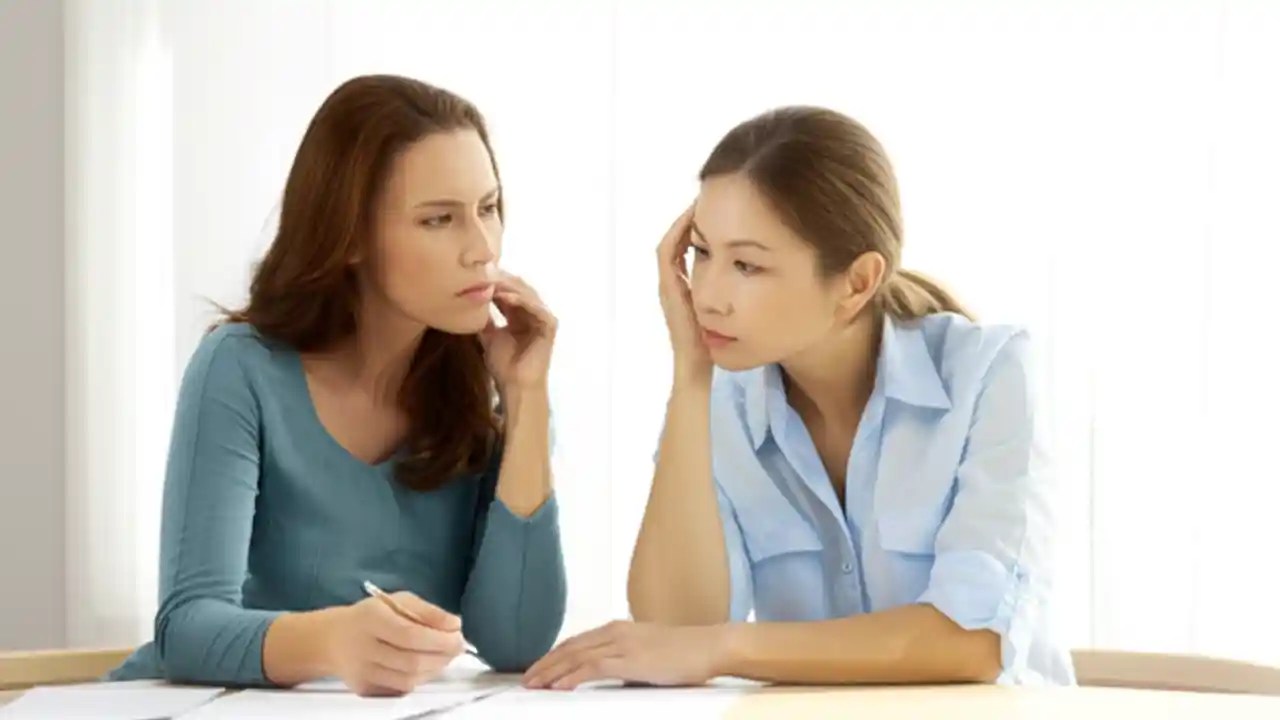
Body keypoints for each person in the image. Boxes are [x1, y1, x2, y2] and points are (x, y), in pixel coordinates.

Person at [524, 106, 1074, 689]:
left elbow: (971, 643)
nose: (707, 296)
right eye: (701, 253)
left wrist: (726, 648)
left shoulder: (990, 374)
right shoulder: (723, 399)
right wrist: (690, 374)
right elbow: (674, 630)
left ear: (857, 282)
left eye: (747, 265)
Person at [109, 75, 566, 695]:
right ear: (349, 235)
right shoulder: (239, 370)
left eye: (488, 208)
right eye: (439, 219)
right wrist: (333, 641)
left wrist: (528, 397)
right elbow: (186, 629)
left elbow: (513, 641)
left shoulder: (494, 387)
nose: (482, 248)